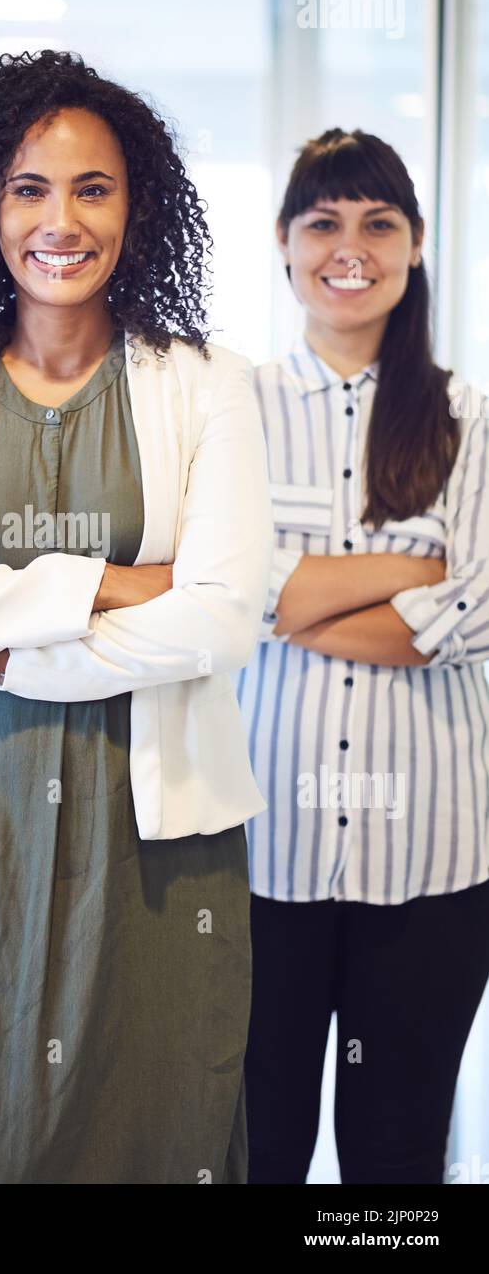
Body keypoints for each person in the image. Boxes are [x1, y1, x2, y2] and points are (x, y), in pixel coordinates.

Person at [0, 48, 274, 1184]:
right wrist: (115, 579)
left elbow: (224, 619)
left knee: (155, 1135)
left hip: (158, 850)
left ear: (141, 204)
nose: (60, 220)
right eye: (28, 187)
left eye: (93, 187)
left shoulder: (206, 381)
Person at [237, 127, 489, 1184]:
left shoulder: (471, 424)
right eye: (324, 222)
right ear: (285, 246)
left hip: (431, 866)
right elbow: (225, 593)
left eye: (378, 222)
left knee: (396, 1161)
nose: (352, 246)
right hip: (262, 854)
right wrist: (400, 570)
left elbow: (466, 619)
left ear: (417, 243)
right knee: (257, 1146)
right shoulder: (229, 413)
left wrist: (285, 598)